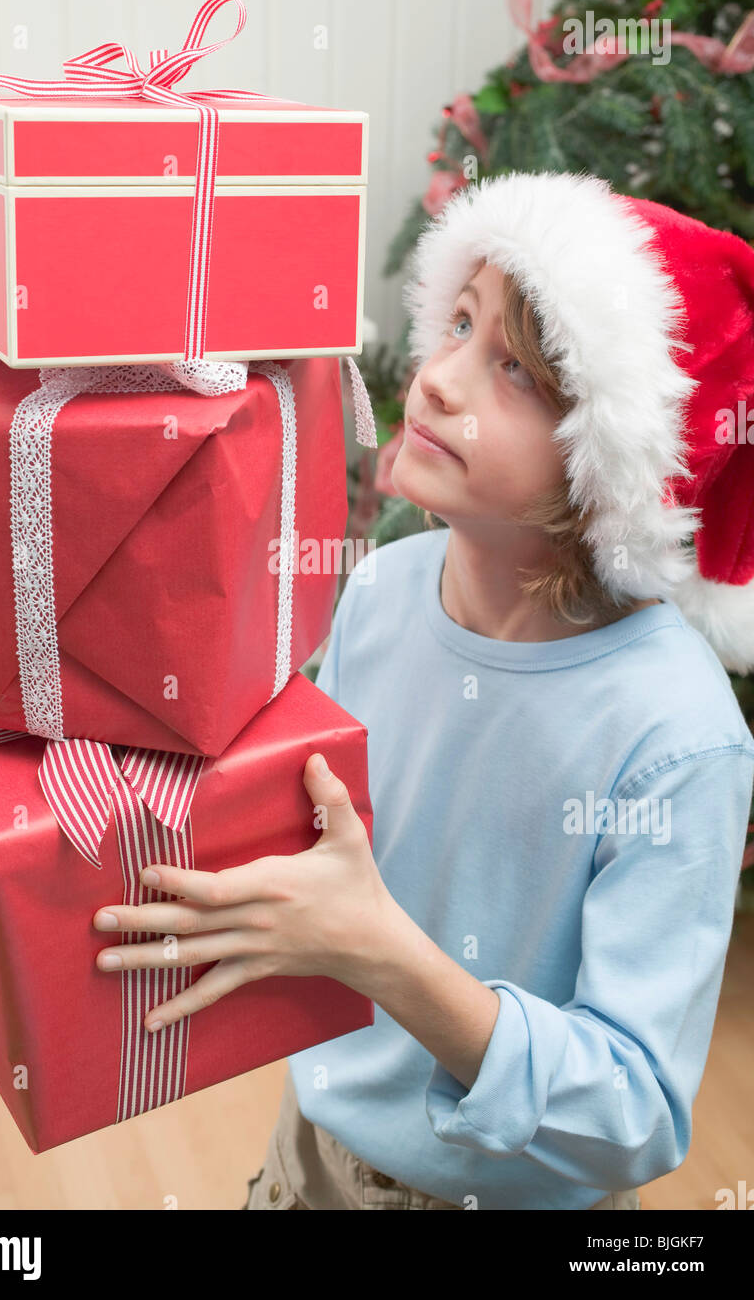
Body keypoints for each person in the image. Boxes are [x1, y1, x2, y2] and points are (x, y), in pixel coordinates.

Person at [95, 170, 754, 1209]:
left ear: (615, 468)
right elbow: (324, 843)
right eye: (456, 321)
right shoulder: (384, 587)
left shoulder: (678, 735)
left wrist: (384, 954)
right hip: (311, 1142)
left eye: (518, 372)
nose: (439, 376)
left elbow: (636, 1112)